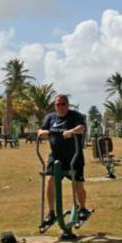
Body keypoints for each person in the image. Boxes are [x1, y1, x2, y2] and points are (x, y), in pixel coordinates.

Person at [37, 94, 90, 226]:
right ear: (54, 106)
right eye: (57, 104)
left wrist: (71, 131)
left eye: (63, 104)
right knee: (50, 181)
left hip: (74, 156)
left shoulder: (75, 116)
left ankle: (82, 208)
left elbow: (82, 128)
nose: (60, 107)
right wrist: (42, 133)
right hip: (56, 156)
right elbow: (40, 130)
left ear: (67, 105)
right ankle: (51, 212)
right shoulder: (50, 117)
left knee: (77, 184)